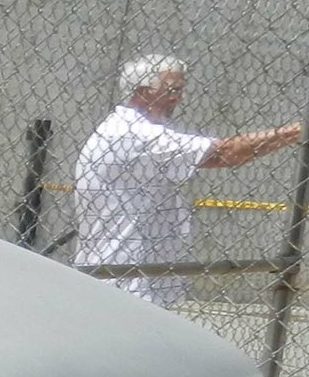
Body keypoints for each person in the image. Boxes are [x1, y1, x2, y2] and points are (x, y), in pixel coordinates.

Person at [74, 55, 302, 306]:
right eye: (172, 90)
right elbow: (225, 153)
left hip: (127, 273)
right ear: (143, 91)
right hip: (124, 280)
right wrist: (297, 131)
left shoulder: (127, 129)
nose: (179, 98)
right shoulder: (135, 135)